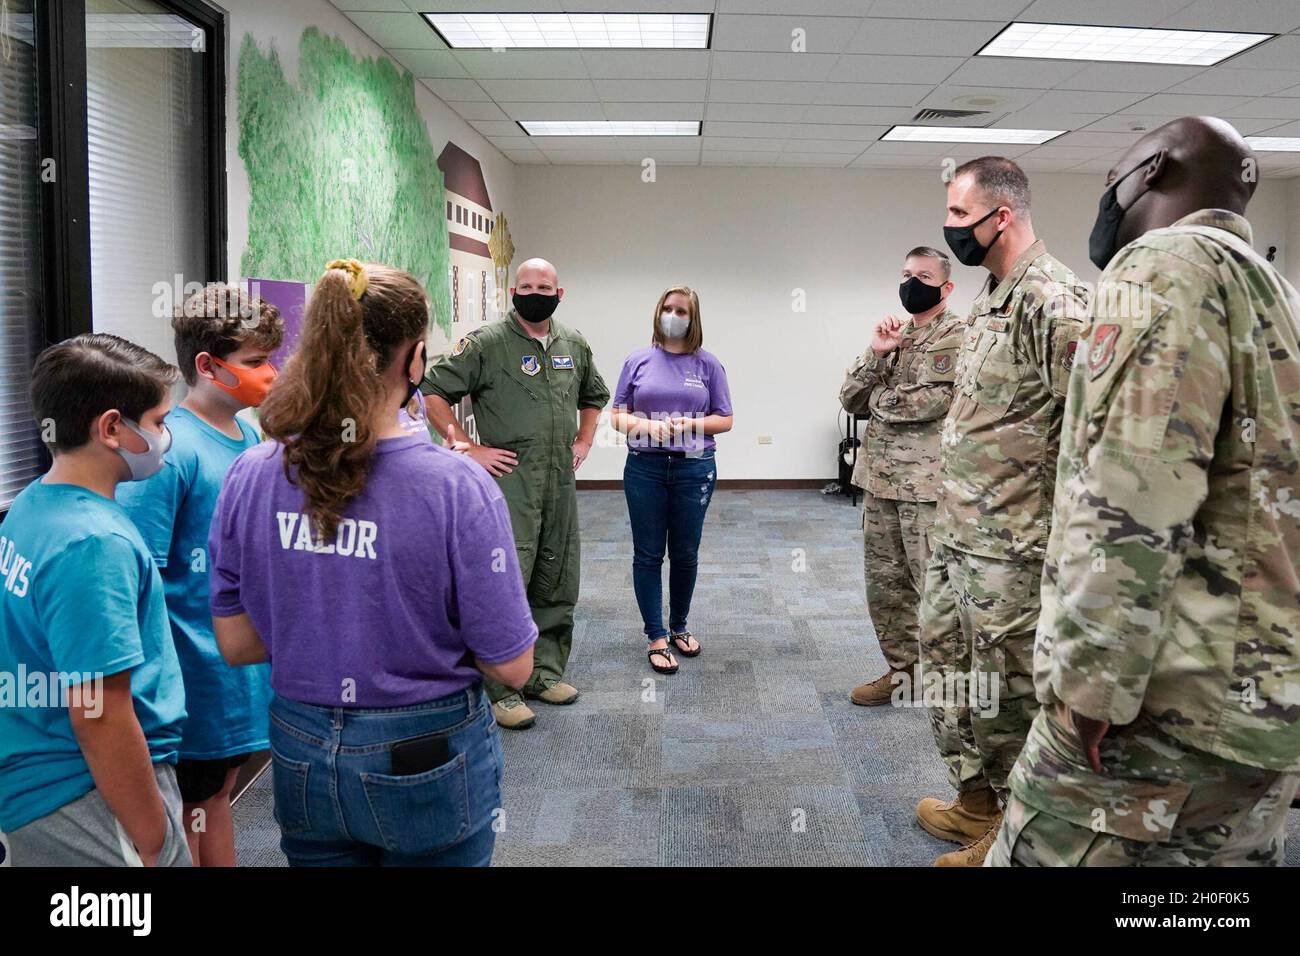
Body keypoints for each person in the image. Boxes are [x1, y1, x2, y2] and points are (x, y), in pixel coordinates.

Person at [989, 117, 1300, 867]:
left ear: (1152, 169)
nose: (1106, 199)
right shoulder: (1275, 291)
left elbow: (1129, 497)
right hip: (1262, 701)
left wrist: (1089, 688)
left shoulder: (1160, 266)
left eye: (1110, 179)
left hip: (1162, 708)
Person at [207, 259, 536, 866]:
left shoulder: (251, 472)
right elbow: (512, 667)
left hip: (300, 745)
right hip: (426, 750)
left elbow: (237, 644)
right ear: (414, 362)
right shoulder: (457, 487)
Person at [915, 157, 1089, 866]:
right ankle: (977, 803)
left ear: (1001, 216)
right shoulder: (994, 297)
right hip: (959, 535)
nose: (949, 227)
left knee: (1007, 694)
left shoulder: (1055, 300)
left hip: (1014, 549)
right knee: (948, 672)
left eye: (958, 215)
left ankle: (1016, 839)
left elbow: (1094, 431)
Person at [0, 334, 189, 866]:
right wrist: (152, 837)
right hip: (89, 797)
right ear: (111, 428)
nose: (164, 436)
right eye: (156, 422)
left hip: (46, 784)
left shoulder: (35, 502)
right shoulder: (92, 544)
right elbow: (99, 710)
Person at [116, 284, 281, 867]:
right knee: (199, 802)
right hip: (194, 677)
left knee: (218, 794)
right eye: (256, 363)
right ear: (208, 366)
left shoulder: (249, 435)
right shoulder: (172, 452)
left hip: (237, 664)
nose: (270, 373)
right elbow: (140, 580)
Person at [420, 257, 610, 730]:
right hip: (510, 482)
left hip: (559, 482)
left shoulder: (574, 343)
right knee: (506, 580)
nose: (534, 291)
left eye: (543, 285)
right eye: (524, 285)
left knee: (557, 573)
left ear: (558, 293)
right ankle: (500, 689)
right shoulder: (486, 344)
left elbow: (593, 395)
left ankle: (543, 673)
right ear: (512, 293)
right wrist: (466, 446)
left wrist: (585, 440)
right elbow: (431, 390)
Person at [840, 247, 963, 706]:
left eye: (924, 275)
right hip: (878, 482)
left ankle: (948, 684)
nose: (912, 282)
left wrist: (880, 398)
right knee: (886, 588)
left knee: (934, 591)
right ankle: (901, 673)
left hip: (925, 489)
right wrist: (876, 354)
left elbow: (927, 403)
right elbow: (849, 398)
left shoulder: (957, 336)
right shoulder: (895, 337)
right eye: (906, 274)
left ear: (946, 287)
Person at [609, 286, 733, 674]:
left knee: (685, 553)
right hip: (645, 467)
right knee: (647, 553)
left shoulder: (708, 365)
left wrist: (691, 424)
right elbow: (617, 414)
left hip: (693, 468)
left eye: (681, 310)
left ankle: (680, 626)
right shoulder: (638, 360)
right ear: (658, 311)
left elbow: (725, 419)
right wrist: (644, 425)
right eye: (668, 308)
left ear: (693, 319)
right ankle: (656, 636)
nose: (673, 314)